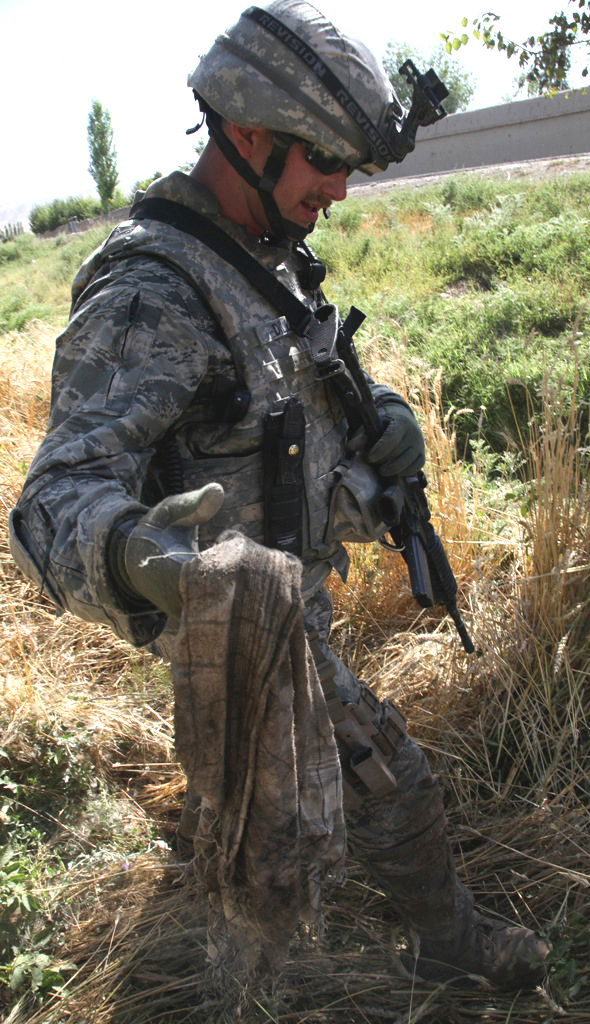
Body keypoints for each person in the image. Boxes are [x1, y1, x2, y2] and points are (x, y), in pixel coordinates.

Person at [9, 0, 550, 989]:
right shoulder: (153, 289)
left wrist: (379, 411)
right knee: (390, 775)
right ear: (248, 135)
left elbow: (294, 382)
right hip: (238, 612)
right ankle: (452, 956)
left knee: (266, 805)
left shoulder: (262, 250)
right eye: (322, 162)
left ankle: (234, 943)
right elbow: (56, 499)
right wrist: (143, 557)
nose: (338, 188)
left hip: (288, 589)